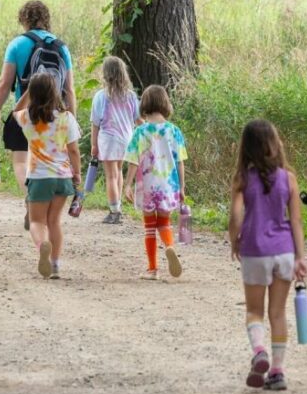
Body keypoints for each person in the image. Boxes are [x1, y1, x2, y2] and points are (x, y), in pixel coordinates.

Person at [228, 119, 307, 391]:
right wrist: (301, 256)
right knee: (278, 312)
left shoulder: (242, 178)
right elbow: (296, 221)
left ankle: (259, 350)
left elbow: (236, 215)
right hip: (284, 251)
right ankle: (277, 370)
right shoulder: (289, 178)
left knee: (254, 311)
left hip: (255, 250)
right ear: (275, 144)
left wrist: (234, 241)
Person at [0, 0, 76, 227]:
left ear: (23, 19)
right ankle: (43, 204)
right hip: (56, 115)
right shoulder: (61, 47)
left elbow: (5, 82)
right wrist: (71, 118)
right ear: (46, 18)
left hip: (25, 113)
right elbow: (69, 89)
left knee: (20, 161)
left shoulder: (17, 44)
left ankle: (30, 196)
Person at [12, 72, 82, 279]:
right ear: (55, 93)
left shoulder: (28, 118)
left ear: (33, 94)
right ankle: (55, 265)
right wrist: (76, 173)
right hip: (62, 176)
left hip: (39, 177)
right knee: (54, 222)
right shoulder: (66, 117)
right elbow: (74, 150)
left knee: (37, 222)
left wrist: (27, 91)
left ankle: (43, 245)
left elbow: (14, 110)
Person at [124, 84, 188, 280]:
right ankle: (169, 246)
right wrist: (182, 186)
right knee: (165, 222)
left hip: (148, 186)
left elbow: (133, 161)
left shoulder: (140, 132)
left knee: (149, 227)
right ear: (165, 103)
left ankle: (152, 269)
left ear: (144, 104)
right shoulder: (174, 131)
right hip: (168, 185)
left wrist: (127, 184)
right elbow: (180, 161)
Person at [85, 56, 139, 224]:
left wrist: (94, 144)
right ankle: (118, 206)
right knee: (118, 172)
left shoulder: (101, 97)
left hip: (109, 140)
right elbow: (137, 119)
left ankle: (114, 212)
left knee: (111, 176)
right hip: (127, 139)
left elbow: (95, 123)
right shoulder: (130, 96)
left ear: (105, 74)